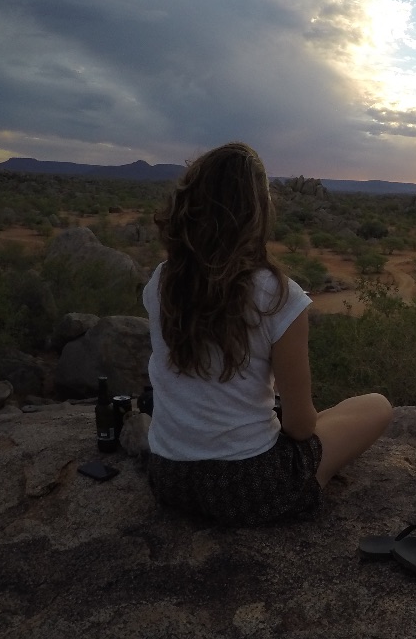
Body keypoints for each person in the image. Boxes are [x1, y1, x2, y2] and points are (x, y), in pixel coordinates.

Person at [144, 141, 392, 525]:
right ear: (256, 212)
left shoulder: (161, 281)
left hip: (169, 475)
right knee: (376, 405)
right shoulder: (277, 296)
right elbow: (299, 427)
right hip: (248, 485)